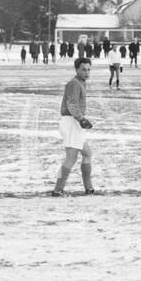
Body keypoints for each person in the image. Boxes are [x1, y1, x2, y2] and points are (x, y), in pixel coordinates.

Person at [52, 57, 97, 197]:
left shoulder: (80, 83)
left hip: (74, 122)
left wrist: (80, 120)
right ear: (77, 69)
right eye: (83, 69)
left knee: (87, 153)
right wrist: (81, 119)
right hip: (72, 122)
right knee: (71, 158)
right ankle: (58, 190)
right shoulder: (74, 83)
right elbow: (72, 104)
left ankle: (88, 188)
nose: (86, 72)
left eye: (89, 70)